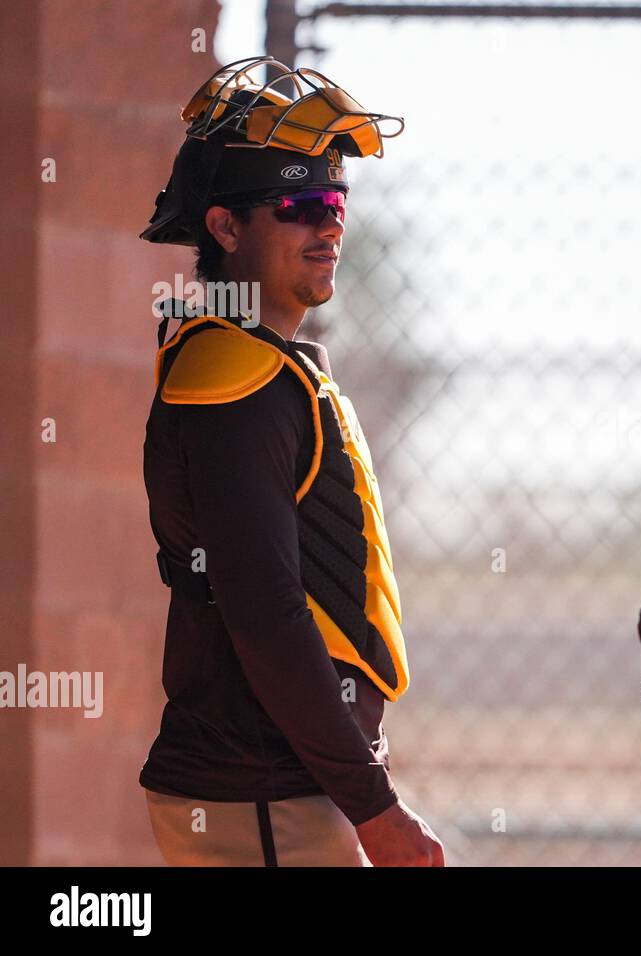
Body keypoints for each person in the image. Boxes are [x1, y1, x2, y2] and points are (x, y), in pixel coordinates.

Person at [138, 58, 443, 867]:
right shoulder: (231, 376)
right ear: (226, 228)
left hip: (283, 790)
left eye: (337, 205)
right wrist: (375, 809)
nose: (331, 226)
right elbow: (266, 610)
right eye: (302, 205)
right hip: (261, 793)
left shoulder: (272, 364)